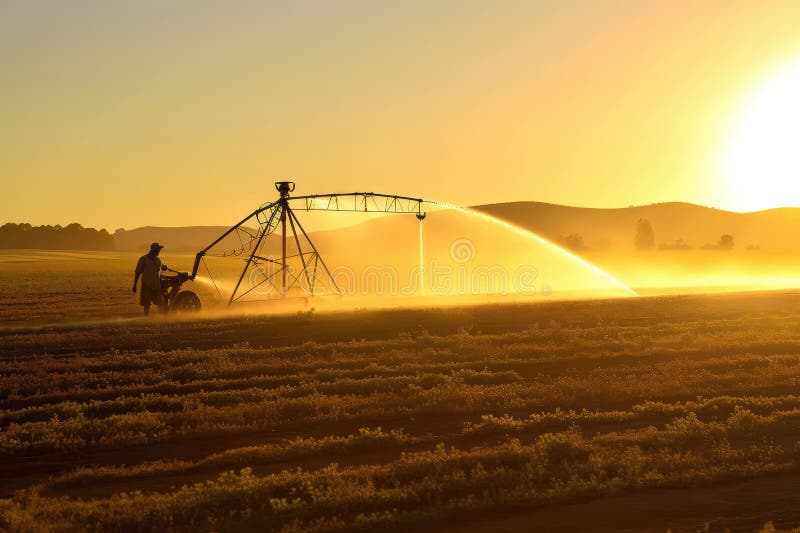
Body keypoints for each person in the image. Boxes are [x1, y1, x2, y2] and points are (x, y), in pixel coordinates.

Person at [133, 242, 167, 315]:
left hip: (156, 285)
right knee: (146, 304)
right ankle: (146, 317)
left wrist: (163, 269)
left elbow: (158, 271)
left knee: (160, 302)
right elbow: (137, 272)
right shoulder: (143, 259)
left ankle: (160, 318)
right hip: (147, 284)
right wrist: (134, 285)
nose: (158, 252)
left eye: (159, 251)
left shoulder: (158, 260)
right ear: (153, 250)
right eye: (157, 250)